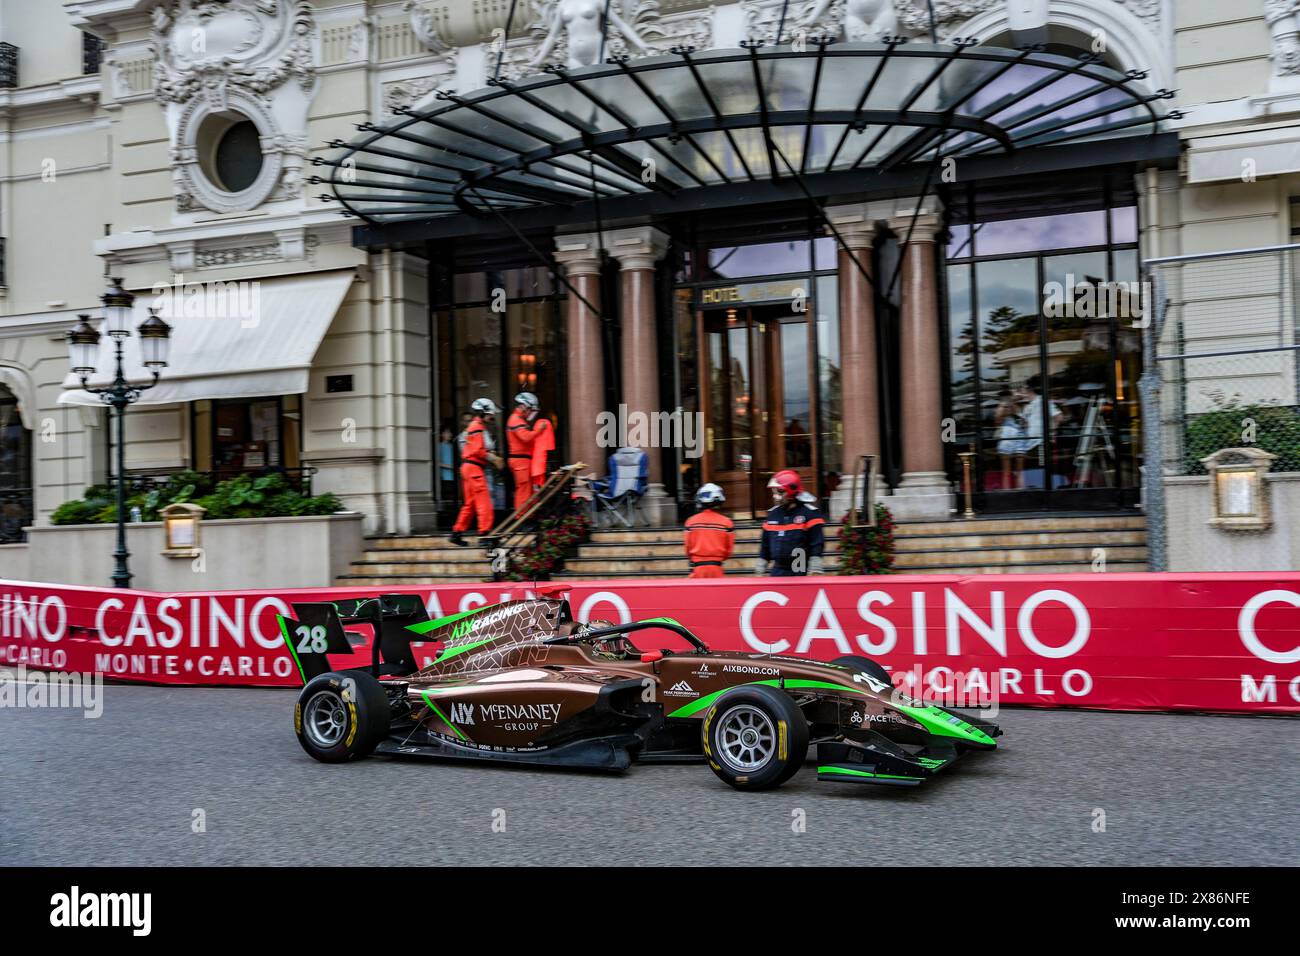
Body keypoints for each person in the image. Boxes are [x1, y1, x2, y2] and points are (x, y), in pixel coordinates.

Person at [449, 398, 503, 546]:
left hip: (468, 468)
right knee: (483, 502)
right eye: (490, 414)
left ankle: (456, 533)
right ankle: (485, 535)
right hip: (474, 468)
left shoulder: (475, 426)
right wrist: (494, 459)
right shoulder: (477, 426)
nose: (492, 417)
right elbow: (478, 450)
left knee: (470, 504)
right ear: (483, 413)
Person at [756, 470, 824, 576]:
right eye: (774, 492)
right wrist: (760, 569)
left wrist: (815, 569)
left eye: (780, 492)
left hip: (800, 570)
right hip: (777, 571)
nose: (775, 496)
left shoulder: (810, 514)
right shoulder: (772, 514)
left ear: (792, 491)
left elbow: (817, 544)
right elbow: (765, 545)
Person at [683, 483, 734, 578]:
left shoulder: (691, 522)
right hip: (717, 569)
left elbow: (687, 548)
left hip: (697, 570)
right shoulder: (727, 522)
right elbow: (728, 550)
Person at [505, 392, 542, 512]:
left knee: (527, 489)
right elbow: (525, 437)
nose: (531, 412)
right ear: (524, 406)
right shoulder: (516, 420)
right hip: (520, 461)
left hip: (523, 460)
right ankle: (521, 517)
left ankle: (527, 516)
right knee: (523, 489)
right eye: (531, 409)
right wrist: (539, 431)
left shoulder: (519, 420)